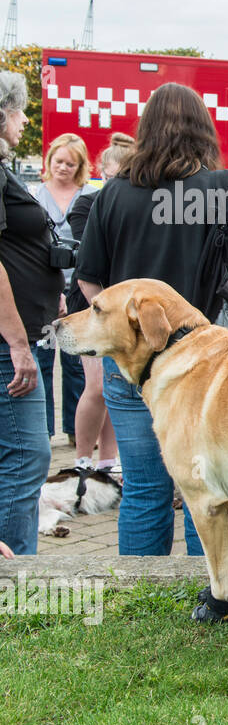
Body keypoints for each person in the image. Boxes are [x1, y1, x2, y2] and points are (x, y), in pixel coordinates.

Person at [75, 83, 228, 556]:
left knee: (143, 488)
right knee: (206, 487)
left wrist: (118, 336)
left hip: (132, 366)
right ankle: (210, 589)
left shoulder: (114, 193)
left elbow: (89, 279)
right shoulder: (219, 188)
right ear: (202, 129)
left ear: (145, 129)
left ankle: (142, 596)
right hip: (203, 366)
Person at [0, 70, 63, 555]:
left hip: (18, 334)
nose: (24, 120)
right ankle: (16, 580)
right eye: (20, 110)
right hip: (7, 345)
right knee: (26, 454)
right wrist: (19, 344)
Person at [65, 133, 135, 473]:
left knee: (115, 388)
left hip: (119, 302)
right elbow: (90, 255)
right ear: (100, 172)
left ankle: (108, 461)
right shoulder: (86, 204)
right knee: (96, 386)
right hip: (91, 301)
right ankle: (81, 459)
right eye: (109, 178)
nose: (115, 186)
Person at [33, 132, 94, 443]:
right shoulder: (34, 194)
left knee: (75, 364)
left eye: (71, 163)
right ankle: (43, 430)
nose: (63, 168)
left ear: (80, 166)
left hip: (79, 291)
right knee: (43, 360)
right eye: (58, 161)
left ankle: (75, 429)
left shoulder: (89, 195)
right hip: (43, 287)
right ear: (49, 161)